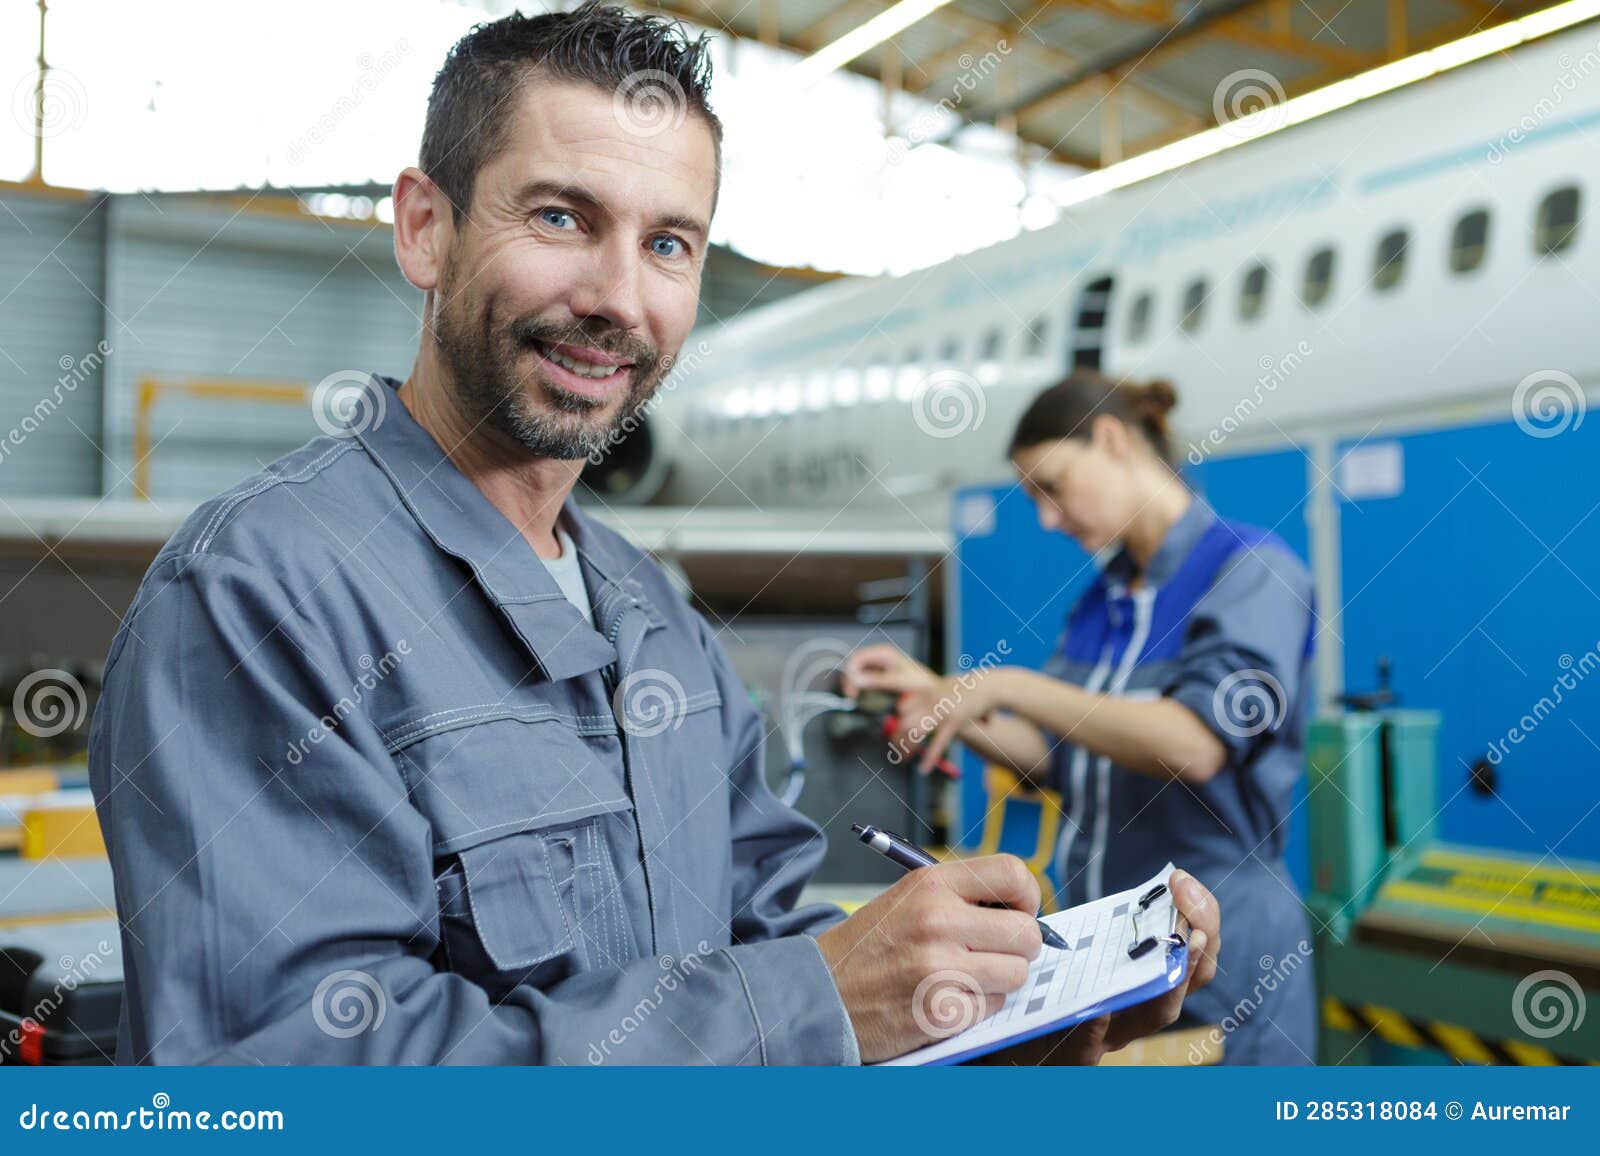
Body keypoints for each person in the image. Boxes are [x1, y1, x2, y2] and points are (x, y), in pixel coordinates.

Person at [87, 6, 1218, 1065]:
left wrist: (1006, 996)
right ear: (425, 229)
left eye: (669, 244)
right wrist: (813, 1001)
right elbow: (298, 1072)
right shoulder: (260, 591)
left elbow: (768, 927)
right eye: (562, 217)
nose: (619, 298)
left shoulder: (647, 609)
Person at [845, 371, 1315, 1065]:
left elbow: (1195, 745)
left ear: (1113, 440)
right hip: (1107, 952)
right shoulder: (1104, 598)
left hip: (1222, 949)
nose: (1047, 518)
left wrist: (1005, 684)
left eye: (1052, 486)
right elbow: (1061, 757)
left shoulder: (1248, 571)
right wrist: (947, 701)